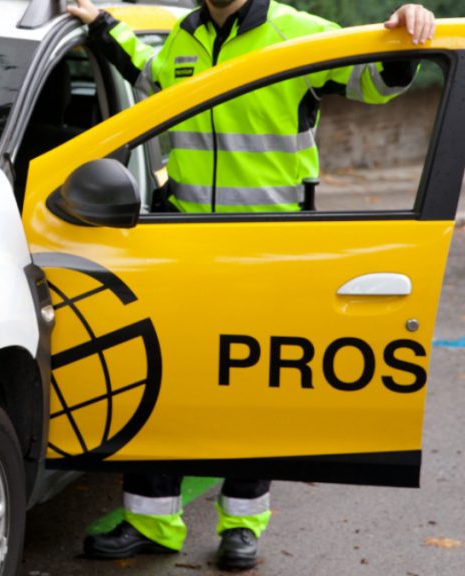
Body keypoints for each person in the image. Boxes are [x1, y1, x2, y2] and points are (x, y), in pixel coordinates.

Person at [66, 0, 435, 570]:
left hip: (270, 248)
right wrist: (99, 24)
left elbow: (374, 79)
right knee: (167, 383)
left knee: (252, 388)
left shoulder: (299, 32)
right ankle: (151, 523)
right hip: (182, 244)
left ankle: (242, 525)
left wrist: (408, 31)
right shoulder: (183, 39)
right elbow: (147, 75)